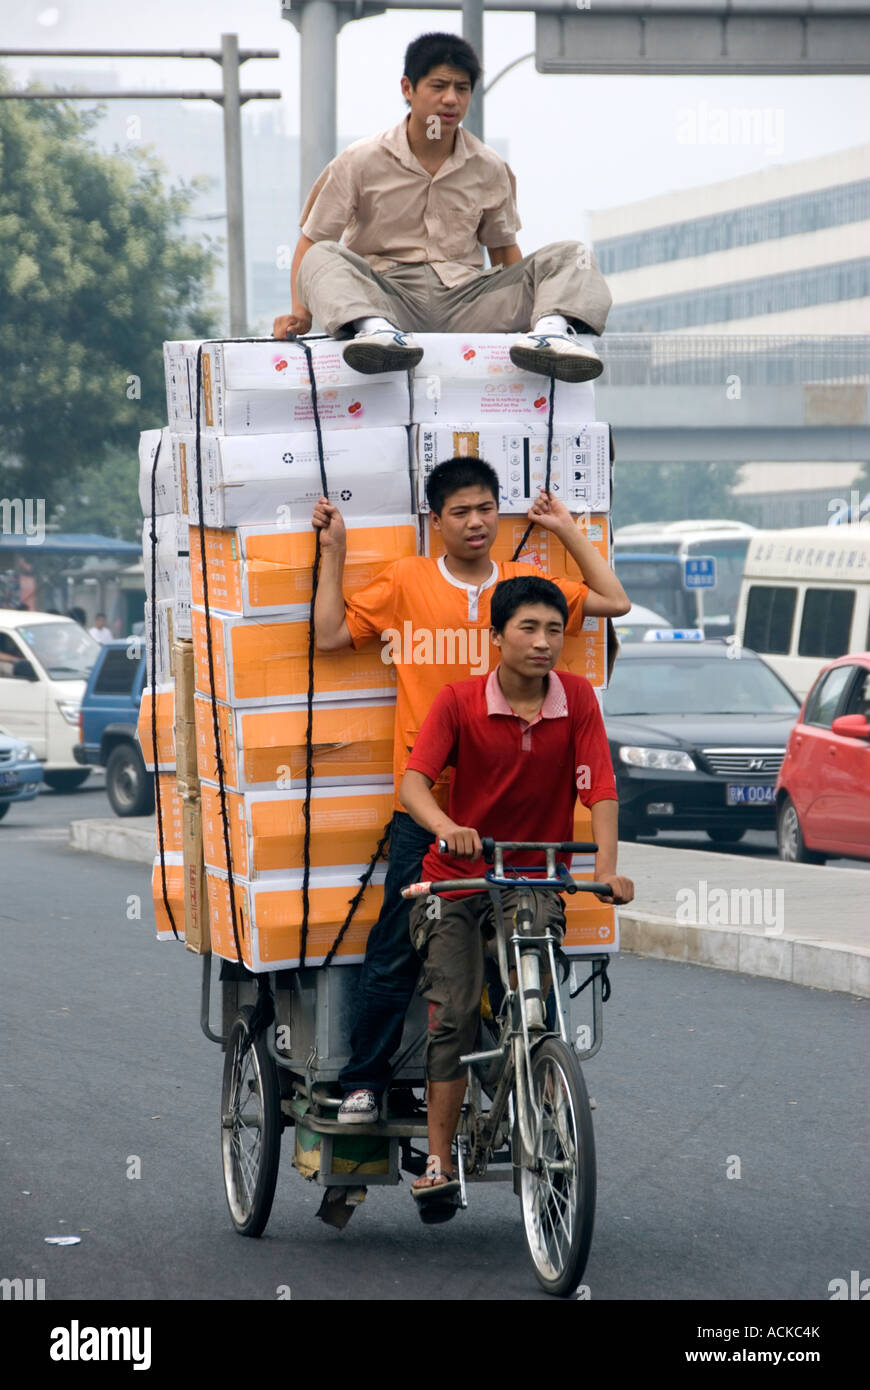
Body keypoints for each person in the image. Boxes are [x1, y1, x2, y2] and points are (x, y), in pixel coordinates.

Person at [312, 455, 630, 1122]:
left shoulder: (523, 590)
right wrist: (333, 553)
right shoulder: (406, 581)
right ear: (436, 521)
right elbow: (331, 634)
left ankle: (518, 1077)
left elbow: (614, 601)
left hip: (512, 812)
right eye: (461, 511)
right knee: (398, 946)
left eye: (487, 507)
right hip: (431, 810)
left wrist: (567, 528)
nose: (477, 521)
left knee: (517, 952)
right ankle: (364, 1079)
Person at [400, 575, 635, 1206]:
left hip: (533, 879)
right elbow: (413, 785)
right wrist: (450, 829)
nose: (543, 643)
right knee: (450, 1013)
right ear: (497, 635)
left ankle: (543, 1097)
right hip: (457, 882)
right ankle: (440, 1161)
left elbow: (601, 790)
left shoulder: (577, 698)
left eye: (554, 630)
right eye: (528, 629)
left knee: (540, 1000)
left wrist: (608, 869)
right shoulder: (458, 701)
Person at [273, 31, 611, 383]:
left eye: (462, 88)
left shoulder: (489, 167)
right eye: (438, 86)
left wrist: (530, 312)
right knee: (322, 254)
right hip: (387, 299)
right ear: (408, 88)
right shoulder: (360, 161)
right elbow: (310, 244)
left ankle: (549, 337)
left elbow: (503, 252)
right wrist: (301, 314)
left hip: (467, 302)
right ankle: (376, 337)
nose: (450, 99)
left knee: (572, 254)